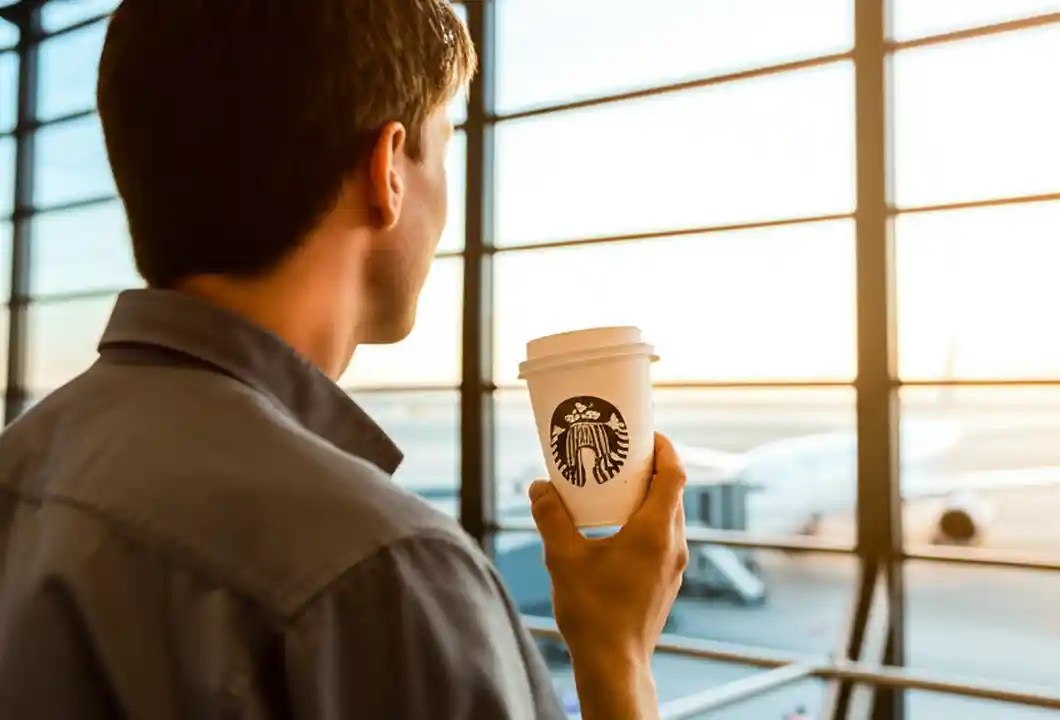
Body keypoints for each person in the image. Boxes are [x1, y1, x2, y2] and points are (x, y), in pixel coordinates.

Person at [0, 2, 688, 718]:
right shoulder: (380, 572)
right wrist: (618, 658)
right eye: (444, 152)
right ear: (388, 169)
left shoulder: (18, 468)